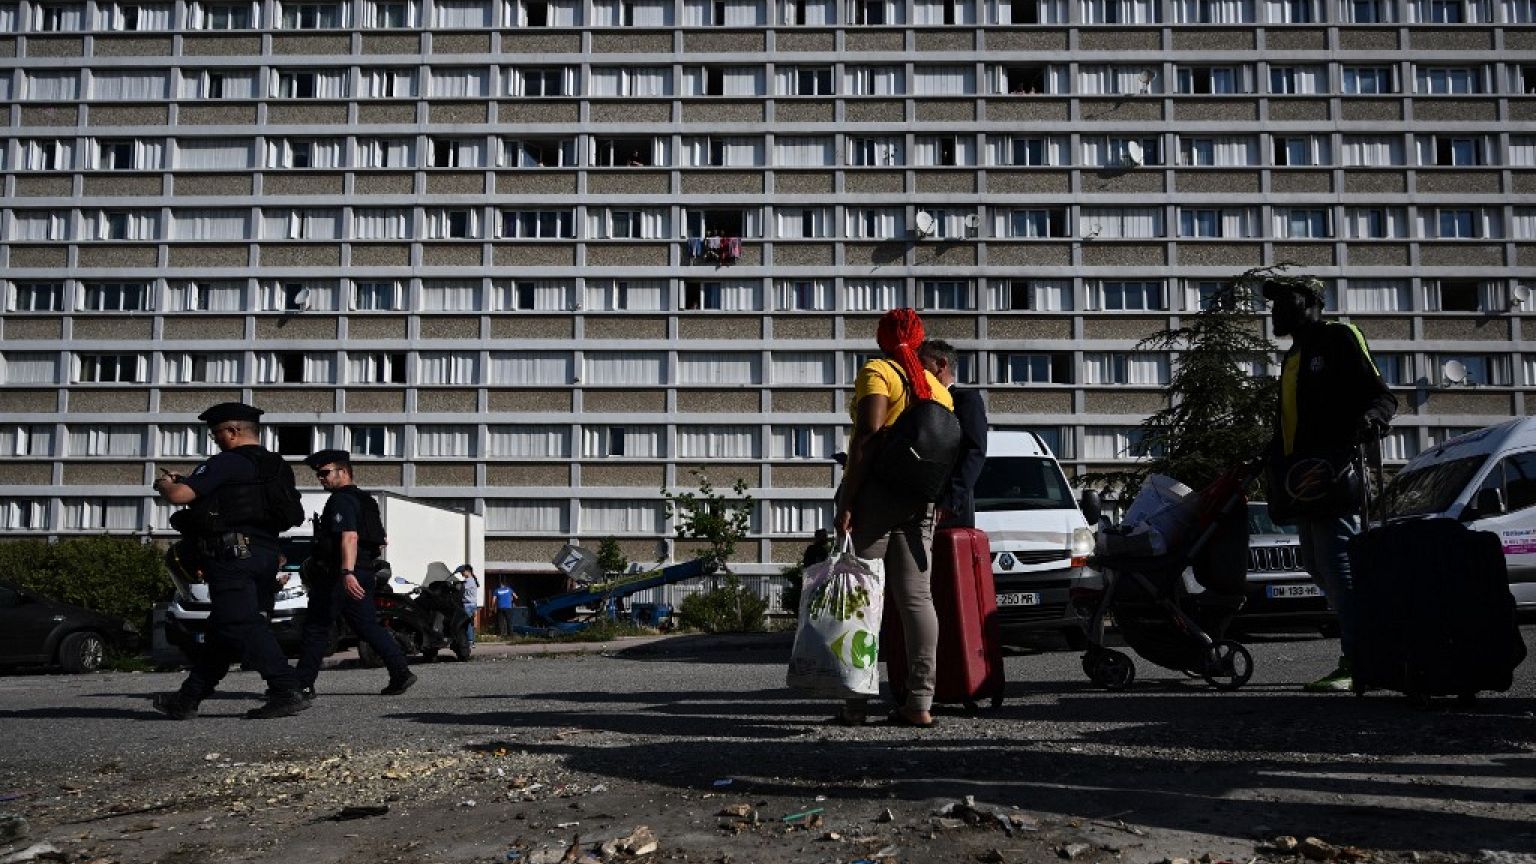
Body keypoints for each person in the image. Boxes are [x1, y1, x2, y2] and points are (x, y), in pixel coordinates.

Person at [1263, 277, 1397, 693]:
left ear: (1311, 303)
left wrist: (1372, 418)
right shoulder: (1293, 357)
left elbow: (1381, 396)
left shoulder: (1339, 337)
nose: (1274, 311)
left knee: (1339, 567)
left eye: (1284, 302)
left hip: (1335, 472)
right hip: (1302, 480)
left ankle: (1362, 660)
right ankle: (1368, 649)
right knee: (1315, 566)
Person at [150, 402, 310, 720]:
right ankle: (187, 698)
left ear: (233, 431)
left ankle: (286, 688)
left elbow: (181, 496)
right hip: (266, 555)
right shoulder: (277, 465)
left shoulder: (227, 462)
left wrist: (166, 484)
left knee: (242, 623)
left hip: (232, 555)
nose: (216, 441)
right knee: (224, 630)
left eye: (217, 434)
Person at [834, 308, 954, 728]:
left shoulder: (878, 372)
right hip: (919, 502)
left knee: (860, 599)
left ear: (883, 338)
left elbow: (868, 435)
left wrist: (848, 500)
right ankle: (919, 702)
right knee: (917, 601)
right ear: (920, 342)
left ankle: (854, 704)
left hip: (876, 498)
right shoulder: (938, 390)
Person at [294, 449, 417, 699]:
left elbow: (349, 536)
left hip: (339, 575)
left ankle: (302, 684)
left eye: (325, 473)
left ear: (344, 472)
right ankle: (400, 672)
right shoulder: (365, 500)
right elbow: (380, 541)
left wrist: (347, 572)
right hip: (361, 571)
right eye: (318, 475)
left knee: (317, 628)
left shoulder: (341, 500)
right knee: (367, 626)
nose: (321, 478)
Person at [919, 339, 989, 529]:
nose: (917, 373)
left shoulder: (965, 400)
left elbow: (974, 451)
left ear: (941, 365)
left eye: (922, 365)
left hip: (948, 511)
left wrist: (951, 501)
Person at [457, 565, 481, 646]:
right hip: (473, 604)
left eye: (462, 572)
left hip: (468, 605)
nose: (461, 574)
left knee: (466, 624)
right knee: (471, 623)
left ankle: (470, 641)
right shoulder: (473, 580)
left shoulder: (468, 581)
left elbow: (460, 590)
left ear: (468, 571)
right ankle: (472, 641)